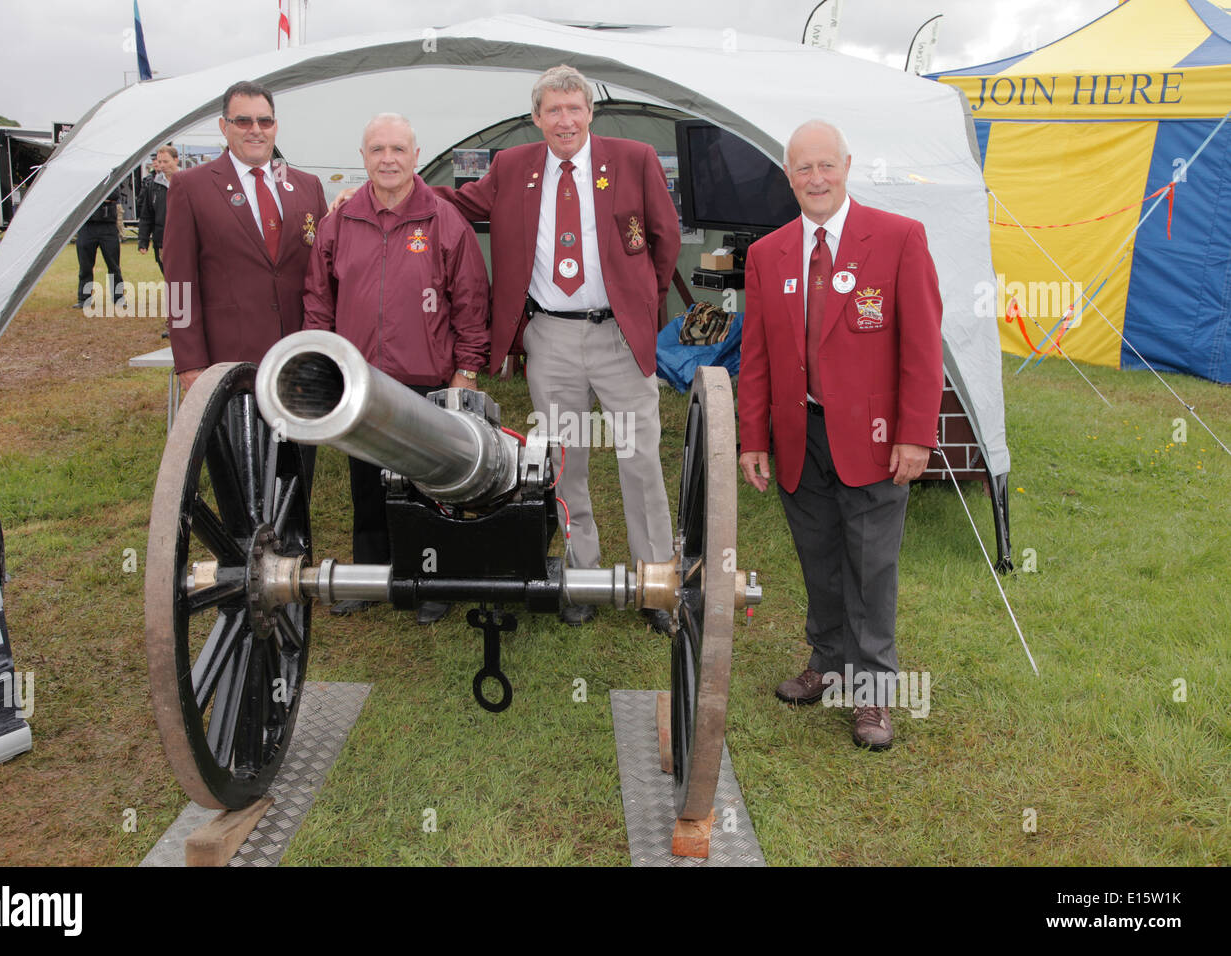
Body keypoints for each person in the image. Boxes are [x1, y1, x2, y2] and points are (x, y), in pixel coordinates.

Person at [436, 65, 679, 633]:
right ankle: (581, 577)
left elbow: (664, 244)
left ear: (590, 112)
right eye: (554, 110)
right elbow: (460, 204)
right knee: (564, 460)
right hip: (550, 335)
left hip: (618, 334)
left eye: (575, 108)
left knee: (640, 458)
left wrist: (640, 306)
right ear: (537, 117)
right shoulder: (512, 166)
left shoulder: (635, 159)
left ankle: (655, 583)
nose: (565, 119)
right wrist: (395, 184)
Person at [736, 119, 943, 751]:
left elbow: (922, 347)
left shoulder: (899, 238)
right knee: (820, 561)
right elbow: (757, 358)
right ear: (788, 176)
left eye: (826, 165)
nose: (816, 178)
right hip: (801, 436)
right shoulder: (766, 254)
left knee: (871, 567)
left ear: (848, 166)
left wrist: (915, 434)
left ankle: (875, 692)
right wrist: (754, 439)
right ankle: (828, 662)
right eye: (803, 168)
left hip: (878, 441)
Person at [303, 113, 490, 624]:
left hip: (427, 374)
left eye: (398, 150)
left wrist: (467, 370)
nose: (388, 159)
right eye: (378, 149)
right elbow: (319, 299)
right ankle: (371, 575)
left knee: (430, 483)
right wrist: (323, 363)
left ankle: (432, 579)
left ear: (415, 155)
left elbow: (471, 300)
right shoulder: (338, 222)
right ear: (363, 157)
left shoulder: (443, 220)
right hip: (359, 377)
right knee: (367, 482)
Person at [164, 80, 327, 392]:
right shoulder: (191, 187)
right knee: (238, 443)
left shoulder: (308, 186)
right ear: (224, 127)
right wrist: (189, 362)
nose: (256, 129)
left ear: (275, 126)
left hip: (299, 361)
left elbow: (321, 273)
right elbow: (180, 284)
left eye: (264, 121)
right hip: (228, 362)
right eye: (243, 121)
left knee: (296, 441)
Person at [75, 192, 124, 310]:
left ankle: (118, 298)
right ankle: (84, 299)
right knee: (85, 266)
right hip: (87, 226)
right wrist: (101, 198)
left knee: (114, 266)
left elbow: (114, 195)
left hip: (108, 226)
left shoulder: (110, 174)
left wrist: (92, 198)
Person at [138, 144, 178, 273]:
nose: (162, 165)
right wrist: (143, 240)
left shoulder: (189, 181)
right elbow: (147, 215)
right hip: (162, 240)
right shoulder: (153, 185)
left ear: (176, 160)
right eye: (159, 161)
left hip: (184, 240)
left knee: (186, 279)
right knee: (169, 278)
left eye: (166, 161)